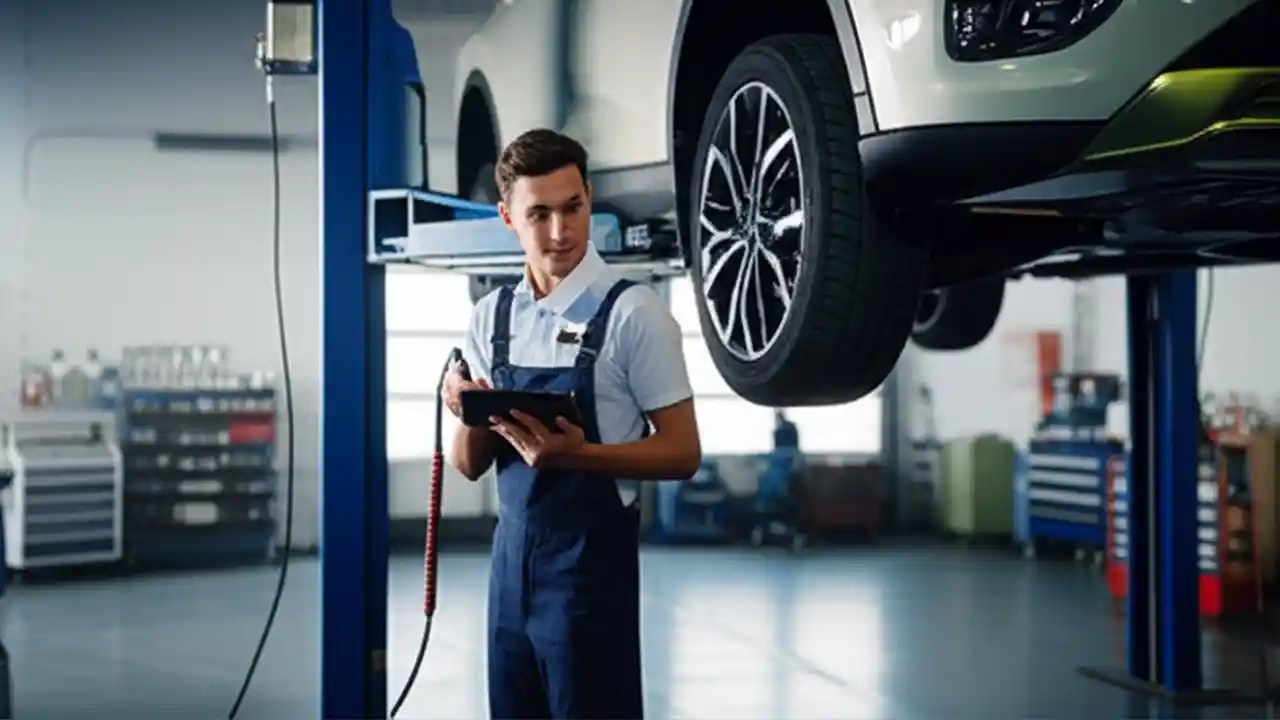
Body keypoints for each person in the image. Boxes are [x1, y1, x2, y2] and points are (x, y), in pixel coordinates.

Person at [442, 128, 702, 719]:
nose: (560, 232)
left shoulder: (635, 314)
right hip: (509, 569)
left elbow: (683, 452)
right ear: (508, 218)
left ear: (588, 197)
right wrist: (464, 407)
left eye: (573, 208)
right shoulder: (492, 317)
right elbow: (468, 462)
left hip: (589, 572)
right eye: (539, 215)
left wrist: (577, 455)